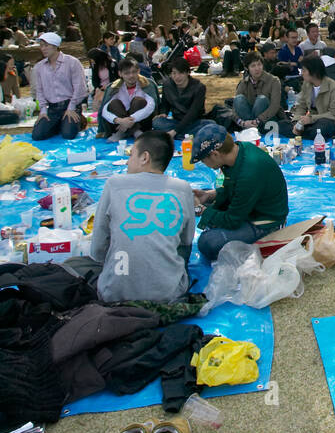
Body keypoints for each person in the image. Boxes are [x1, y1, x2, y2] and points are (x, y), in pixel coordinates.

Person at [87, 131, 196, 303]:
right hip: (170, 295)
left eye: (131, 155)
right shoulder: (183, 188)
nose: (128, 162)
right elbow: (186, 242)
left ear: (145, 158)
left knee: (80, 265)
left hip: (114, 294)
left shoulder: (115, 184)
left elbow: (98, 247)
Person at [191, 123, 288, 260]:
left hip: (265, 222)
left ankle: (262, 237)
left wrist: (200, 210)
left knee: (208, 242)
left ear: (215, 154)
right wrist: (210, 195)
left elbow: (232, 220)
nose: (204, 164)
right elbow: (232, 187)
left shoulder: (249, 173)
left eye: (203, 160)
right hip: (252, 206)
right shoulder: (240, 149)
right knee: (206, 194)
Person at [29, 33, 89, 141]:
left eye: (46, 45)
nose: (43, 49)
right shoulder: (39, 67)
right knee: (37, 135)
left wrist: (71, 107)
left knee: (68, 134)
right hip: (52, 108)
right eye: (41, 45)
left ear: (55, 46)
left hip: (70, 104)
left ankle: (75, 121)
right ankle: (58, 123)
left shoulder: (72, 62)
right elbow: (39, 90)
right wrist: (43, 110)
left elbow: (79, 87)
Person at [98, 58, 160, 141]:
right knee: (114, 103)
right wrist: (118, 120)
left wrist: (130, 120)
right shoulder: (114, 87)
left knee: (139, 101)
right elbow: (105, 110)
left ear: (138, 71)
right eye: (127, 73)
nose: (131, 76)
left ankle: (126, 131)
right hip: (120, 121)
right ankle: (134, 132)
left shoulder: (147, 84)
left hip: (142, 122)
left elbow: (151, 106)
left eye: (134, 72)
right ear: (120, 74)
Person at [289, 55, 335, 139]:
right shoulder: (306, 84)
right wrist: (297, 122)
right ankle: (303, 132)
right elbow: (301, 106)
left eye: (304, 70)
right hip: (312, 120)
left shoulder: (333, 87)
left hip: (331, 121)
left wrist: (311, 119)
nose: (302, 73)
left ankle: (306, 133)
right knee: (285, 125)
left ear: (313, 72)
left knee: (321, 128)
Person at [152, 58, 207, 137]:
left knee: (209, 125)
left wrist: (175, 131)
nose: (177, 77)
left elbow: (193, 112)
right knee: (157, 122)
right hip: (176, 120)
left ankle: (177, 134)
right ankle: (187, 135)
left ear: (188, 73)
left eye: (181, 73)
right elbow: (165, 103)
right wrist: (163, 113)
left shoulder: (199, 88)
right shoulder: (167, 84)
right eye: (174, 73)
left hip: (194, 121)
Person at [233, 51, 282, 132]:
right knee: (238, 99)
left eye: (259, 64)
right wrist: (242, 123)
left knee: (261, 99)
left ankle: (253, 129)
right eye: (253, 66)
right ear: (247, 68)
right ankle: (251, 129)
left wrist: (258, 120)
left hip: (266, 119)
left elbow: (275, 106)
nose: (257, 68)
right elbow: (234, 108)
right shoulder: (244, 83)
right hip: (247, 119)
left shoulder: (274, 80)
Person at [87, 48, 115, 114]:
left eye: (92, 59)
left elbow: (116, 78)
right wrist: (97, 87)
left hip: (111, 88)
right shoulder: (95, 65)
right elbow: (94, 79)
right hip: (100, 88)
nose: (91, 61)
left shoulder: (112, 64)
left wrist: (108, 86)